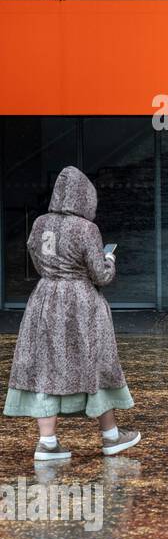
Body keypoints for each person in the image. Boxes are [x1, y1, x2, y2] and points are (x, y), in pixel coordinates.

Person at [5, 167, 140, 461]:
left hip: (44, 298)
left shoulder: (40, 223)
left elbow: (34, 253)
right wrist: (110, 259)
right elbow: (101, 275)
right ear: (85, 197)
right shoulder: (86, 229)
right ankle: (111, 436)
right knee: (95, 362)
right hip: (82, 303)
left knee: (46, 366)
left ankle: (48, 443)